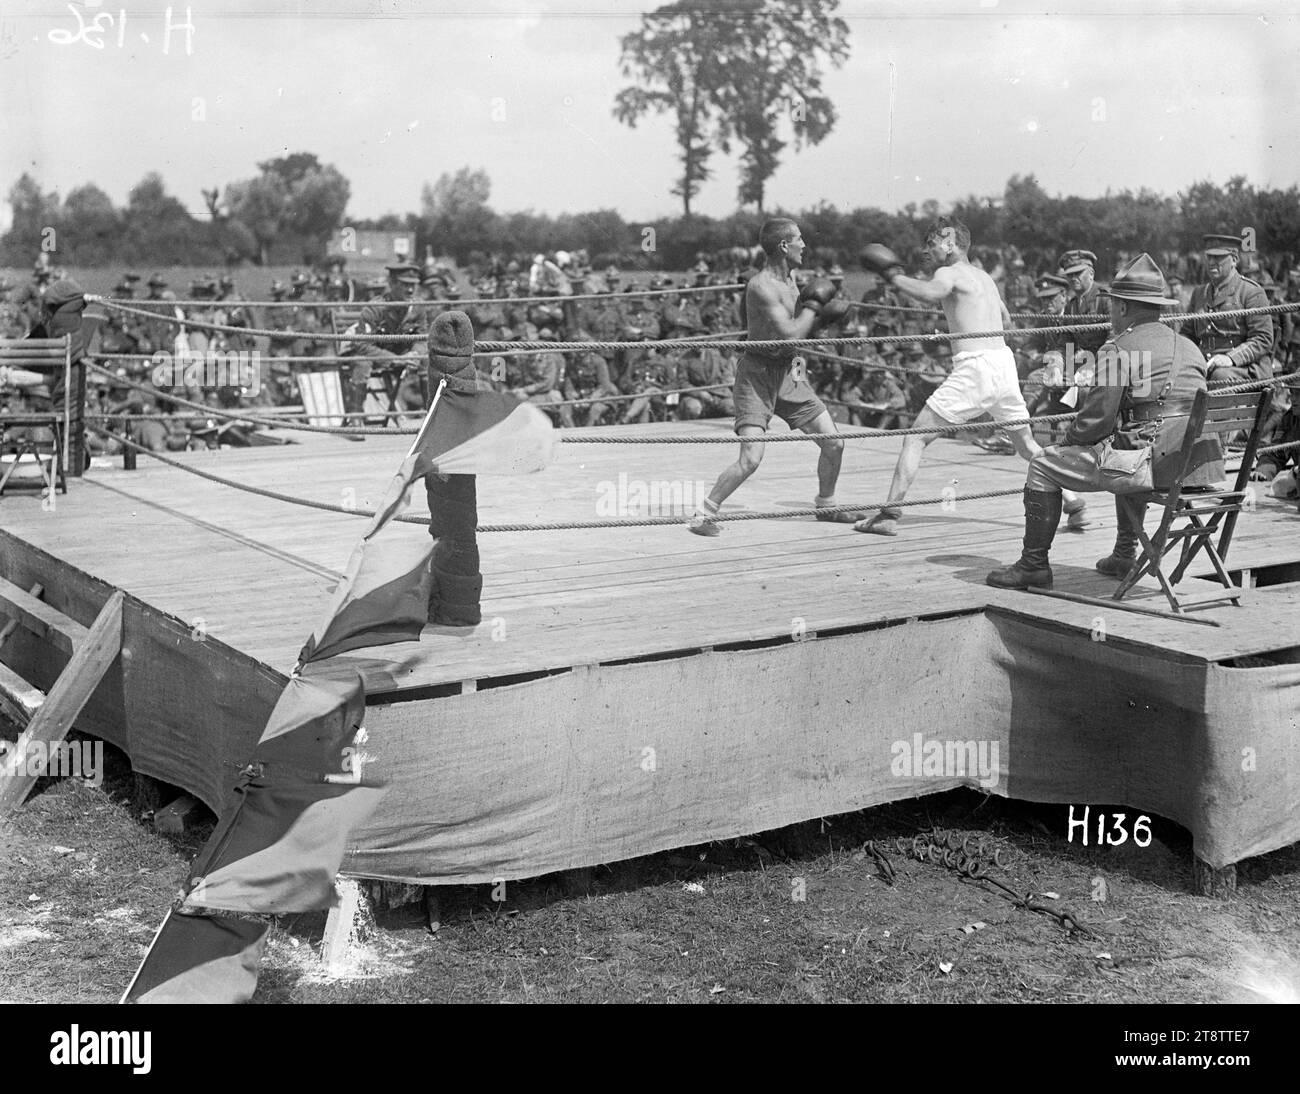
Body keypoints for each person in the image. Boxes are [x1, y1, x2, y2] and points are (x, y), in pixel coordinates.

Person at [986, 253, 1223, 589]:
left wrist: (1065, 443)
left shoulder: (1119, 348)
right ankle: (1124, 553)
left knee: (1041, 463)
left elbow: (1095, 421)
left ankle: (1034, 565)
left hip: (1154, 467)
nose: (1110, 311)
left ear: (1123, 308)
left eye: (1112, 304)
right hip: (1201, 465)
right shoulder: (1189, 347)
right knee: (1128, 446)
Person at [856, 217, 1088, 535]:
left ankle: (887, 515)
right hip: (1002, 365)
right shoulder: (986, 278)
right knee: (1027, 446)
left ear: (950, 242)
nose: (927, 251)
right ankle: (1074, 503)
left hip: (975, 366)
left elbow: (929, 292)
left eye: (932, 243)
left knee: (915, 437)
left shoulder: (948, 272)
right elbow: (1005, 318)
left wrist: (893, 275)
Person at [686, 218, 858, 536]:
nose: (804, 245)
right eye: (799, 240)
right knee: (751, 458)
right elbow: (791, 334)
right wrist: (815, 308)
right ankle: (703, 514)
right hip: (757, 375)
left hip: (790, 372)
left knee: (834, 442)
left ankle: (826, 504)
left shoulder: (793, 281)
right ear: (784, 246)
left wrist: (825, 318)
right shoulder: (761, 285)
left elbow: (801, 334)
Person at [1186, 233, 1274, 384]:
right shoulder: (1199, 293)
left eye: (1219, 257)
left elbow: (1263, 338)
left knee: (1219, 377)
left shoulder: (1251, 292)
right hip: (1207, 366)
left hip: (1245, 368)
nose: (1212, 262)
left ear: (1234, 260)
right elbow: (1187, 334)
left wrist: (1231, 358)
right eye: (1209, 257)